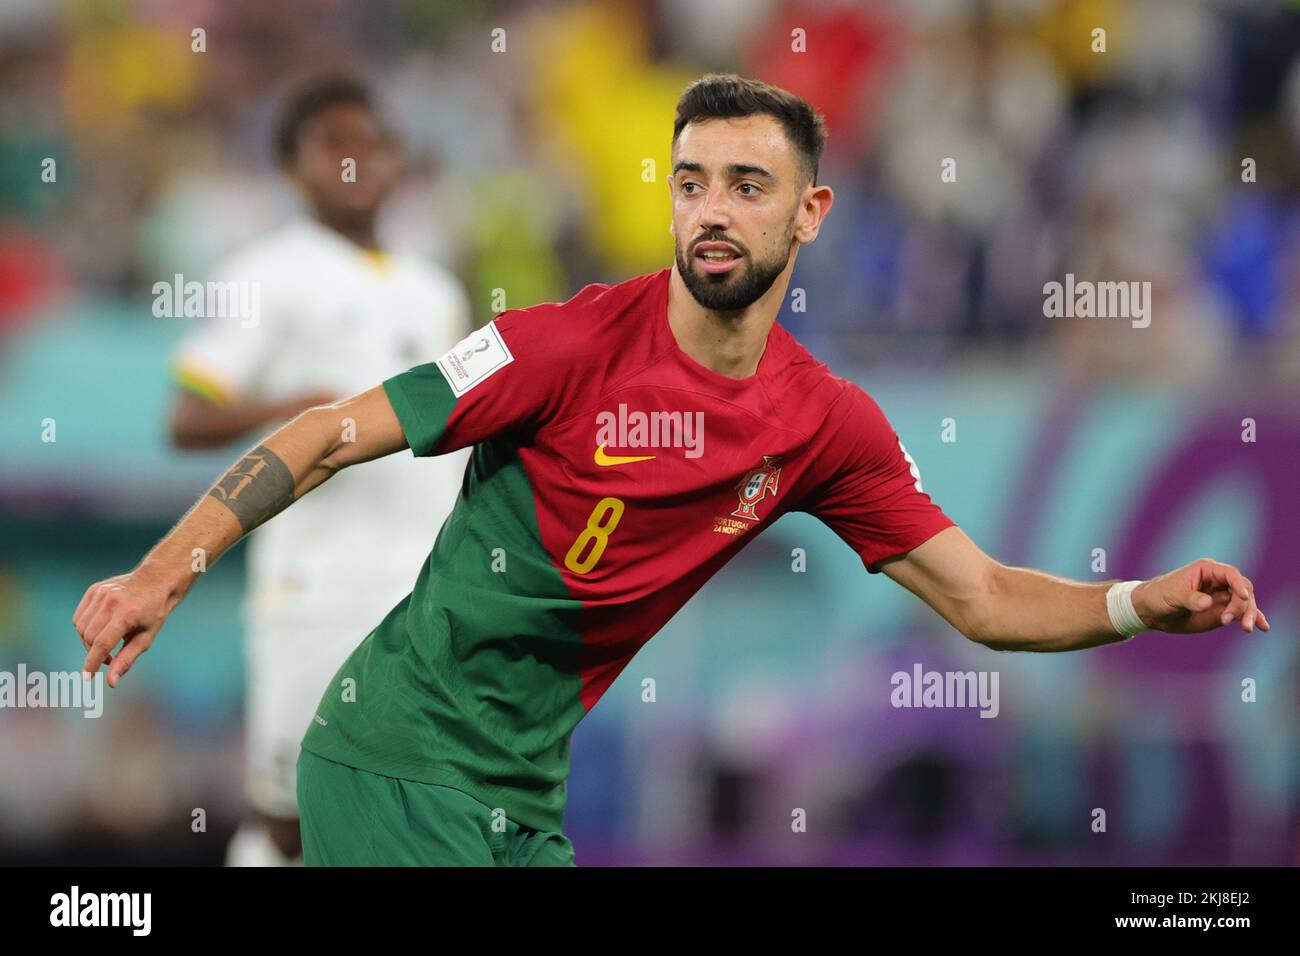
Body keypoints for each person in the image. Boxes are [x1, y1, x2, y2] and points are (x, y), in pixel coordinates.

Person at [76, 74, 1268, 867]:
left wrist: (1136, 603)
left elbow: (987, 598)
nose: (710, 209)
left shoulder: (821, 422)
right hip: (392, 761)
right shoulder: (560, 343)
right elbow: (330, 431)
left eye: (747, 187)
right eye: (690, 180)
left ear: (810, 213)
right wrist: (161, 572)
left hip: (517, 799)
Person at [164, 74, 471, 865]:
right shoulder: (263, 275)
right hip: (316, 588)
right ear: (292, 166)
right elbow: (187, 416)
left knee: (403, 812)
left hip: (421, 595)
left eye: (372, 142)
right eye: (332, 144)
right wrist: (298, 409)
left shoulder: (436, 290)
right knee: (293, 816)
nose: (356, 160)